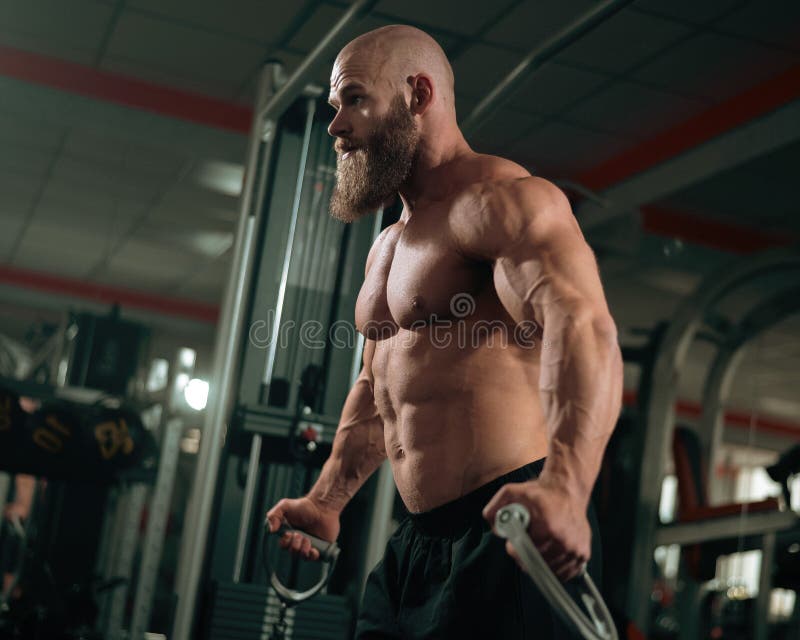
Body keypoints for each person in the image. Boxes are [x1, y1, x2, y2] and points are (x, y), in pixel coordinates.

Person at [266, 24, 623, 639]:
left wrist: (566, 489)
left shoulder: (500, 202)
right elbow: (378, 389)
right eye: (334, 107)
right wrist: (327, 500)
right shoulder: (388, 245)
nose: (336, 126)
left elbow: (584, 328)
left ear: (418, 94)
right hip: (416, 545)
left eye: (354, 99)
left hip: (505, 531)